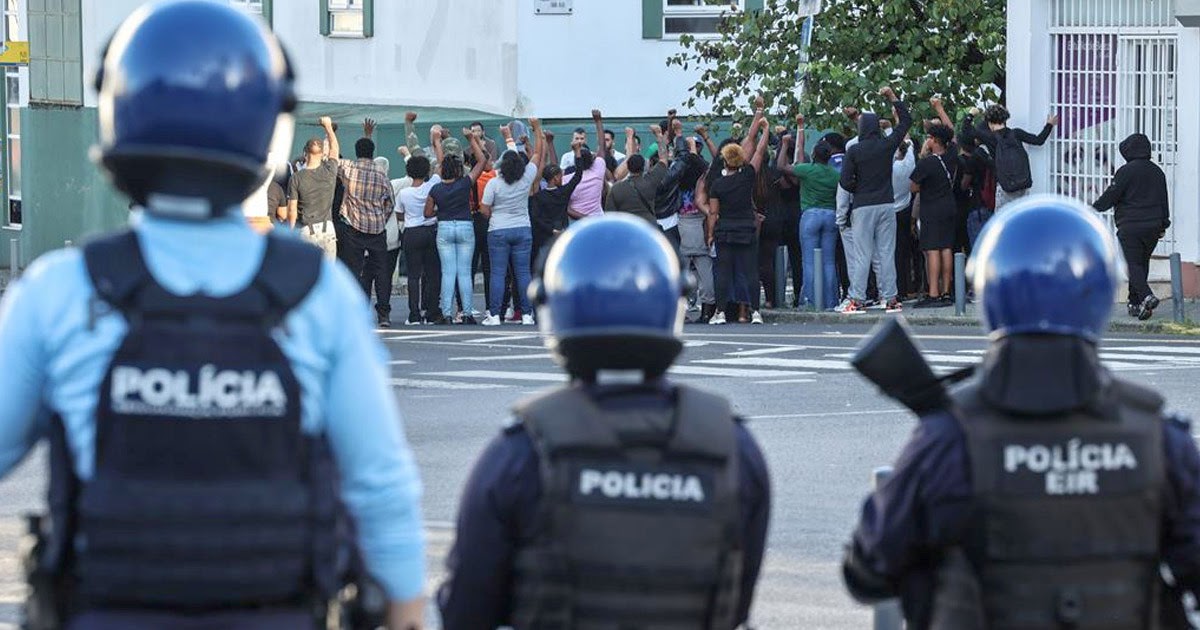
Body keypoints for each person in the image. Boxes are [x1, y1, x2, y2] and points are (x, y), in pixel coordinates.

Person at [0, 3, 426, 629]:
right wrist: (408, 611)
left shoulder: (62, 290)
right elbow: (380, 485)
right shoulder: (318, 295)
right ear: (269, 126)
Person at [843, 195, 1200, 630]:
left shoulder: (948, 439)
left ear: (990, 292)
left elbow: (868, 572)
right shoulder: (1158, 440)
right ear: (1103, 293)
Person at [437, 215, 771, 629]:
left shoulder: (522, 452)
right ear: (676, 303)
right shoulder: (733, 447)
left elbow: (466, 609)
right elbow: (735, 604)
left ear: (551, 307)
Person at [839, 86, 912, 314]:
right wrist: (893, 98)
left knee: (863, 254)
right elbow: (906, 122)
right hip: (886, 203)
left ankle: (857, 299)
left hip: (863, 205)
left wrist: (857, 188)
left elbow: (844, 181)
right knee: (886, 253)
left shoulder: (854, 151)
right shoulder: (886, 145)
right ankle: (890, 298)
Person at [1093, 133, 1171, 321]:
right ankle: (1135, 304)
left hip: (1130, 225)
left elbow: (1112, 195)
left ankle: (1146, 296)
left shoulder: (1125, 171)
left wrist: (1093, 207)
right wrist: (1164, 223)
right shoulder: (1157, 171)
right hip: (1153, 226)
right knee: (1142, 262)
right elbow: (1164, 200)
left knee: (1131, 264)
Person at [706, 109, 770, 325]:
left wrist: (710, 234)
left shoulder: (717, 184)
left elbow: (713, 212)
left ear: (724, 161)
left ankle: (721, 312)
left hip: (725, 230)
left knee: (723, 272)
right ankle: (756, 312)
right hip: (746, 229)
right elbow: (759, 151)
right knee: (750, 271)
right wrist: (766, 130)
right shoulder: (748, 176)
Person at [479, 119, 545, 326]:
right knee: (523, 273)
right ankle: (527, 314)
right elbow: (537, 153)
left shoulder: (494, 182)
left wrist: (494, 215)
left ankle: (495, 315)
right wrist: (536, 129)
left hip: (498, 229)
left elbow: (484, 209)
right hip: (522, 228)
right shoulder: (526, 178)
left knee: (498, 274)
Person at [426, 128, 488, 325]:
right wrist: (472, 139)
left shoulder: (436, 188)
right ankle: (467, 313)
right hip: (465, 226)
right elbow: (482, 162)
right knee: (464, 272)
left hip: (444, 227)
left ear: (441, 169)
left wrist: (437, 142)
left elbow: (427, 213)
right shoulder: (465, 183)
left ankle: (446, 314)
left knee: (448, 272)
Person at [784, 122, 841, 311]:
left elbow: (782, 166)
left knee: (808, 260)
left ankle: (810, 300)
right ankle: (831, 301)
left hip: (810, 215)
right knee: (829, 261)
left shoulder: (808, 170)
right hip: (831, 215)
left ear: (815, 155)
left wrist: (784, 145)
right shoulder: (835, 174)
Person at [962, 104, 1057, 210]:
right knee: (1021, 218)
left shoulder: (989, 137)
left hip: (1005, 187)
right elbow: (1039, 140)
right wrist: (1049, 124)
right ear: (1005, 119)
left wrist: (971, 114)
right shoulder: (1016, 133)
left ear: (989, 122)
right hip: (1023, 184)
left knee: (1004, 220)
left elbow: (966, 131)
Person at [910, 124, 960, 308]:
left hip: (931, 209)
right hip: (949, 207)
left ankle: (933, 293)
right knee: (946, 248)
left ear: (935, 140)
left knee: (932, 249)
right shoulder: (952, 157)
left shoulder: (927, 162)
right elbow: (953, 135)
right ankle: (946, 291)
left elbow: (913, 186)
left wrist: (923, 153)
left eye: (929, 137)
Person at [398, 143, 442, 325]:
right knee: (433, 273)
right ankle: (431, 312)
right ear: (426, 172)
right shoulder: (432, 185)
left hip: (411, 232)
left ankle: (414, 314)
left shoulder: (404, 193)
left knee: (413, 276)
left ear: (408, 172)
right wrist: (437, 142)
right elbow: (440, 163)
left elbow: (399, 214)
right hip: (430, 230)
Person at [288, 119, 340, 258]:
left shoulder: (296, 178)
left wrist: (290, 233)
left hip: (306, 230)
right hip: (327, 229)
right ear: (323, 153)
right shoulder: (329, 171)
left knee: (304, 274)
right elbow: (334, 150)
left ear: (305, 153)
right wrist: (328, 127)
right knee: (327, 274)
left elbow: (292, 210)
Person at [529, 160, 582, 266]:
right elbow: (578, 176)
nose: (562, 179)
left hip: (545, 237)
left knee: (546, 265)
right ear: (556, 178)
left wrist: (551, 230)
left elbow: (535, 217)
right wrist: (577, 153)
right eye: (561, 176)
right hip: (562, 233)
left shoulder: (539, 197)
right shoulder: (563, 192)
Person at [565, 110, 610, 221]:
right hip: (598, 220)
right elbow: (602, 146)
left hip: (577, 223)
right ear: (592, 159)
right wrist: (598, 121)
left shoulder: (566, 180)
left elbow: (566, 208)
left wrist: (584, 218)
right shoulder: (598, 170)